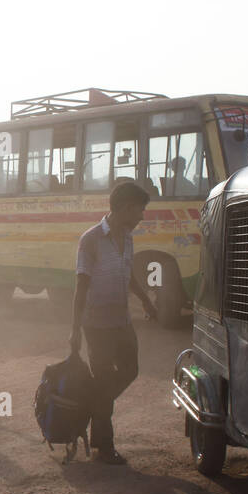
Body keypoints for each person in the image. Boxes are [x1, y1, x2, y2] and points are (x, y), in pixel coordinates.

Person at [68, 180, 157, 465]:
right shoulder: (90, 239)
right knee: (105, 380)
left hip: (121, 320)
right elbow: (80, 286)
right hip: (96, 325)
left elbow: (127, 273)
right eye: (139, 210)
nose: (142, 217)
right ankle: (104, 448)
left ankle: (93, 405)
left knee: (130, 370)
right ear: (126, 208)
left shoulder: (128, 237)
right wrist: (74, 330)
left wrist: (144, 299)